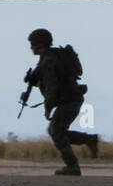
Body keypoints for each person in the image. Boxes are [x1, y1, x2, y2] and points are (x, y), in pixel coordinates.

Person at [25, 28, 98, 176]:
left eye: (32, 44)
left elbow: (52, 86)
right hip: (70, 99)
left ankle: (73, 166)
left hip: (69, 100)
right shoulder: (49, 58)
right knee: (56, 131)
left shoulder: (48, 61)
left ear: (40, 45)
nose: (31, 47)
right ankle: (89, 139)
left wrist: (48, 107)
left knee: (56, 131)